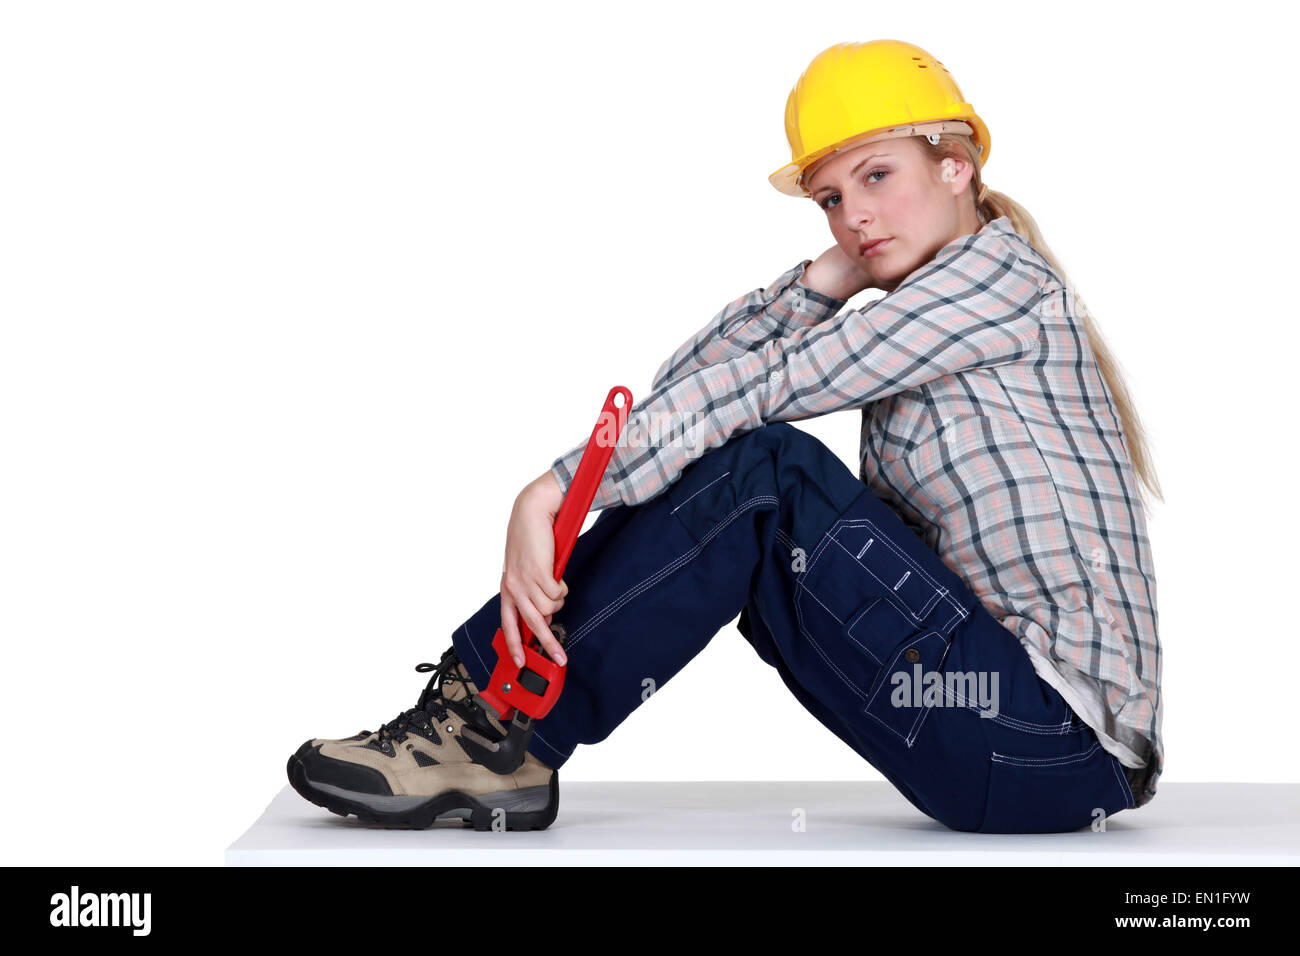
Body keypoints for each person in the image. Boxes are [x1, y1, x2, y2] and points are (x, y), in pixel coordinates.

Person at [287, 39, 1164, 834]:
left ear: (957, 165)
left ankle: (498, 726)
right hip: (1006, 739)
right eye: (830, 197)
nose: (854, 214)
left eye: (877, 176)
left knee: (764, 471)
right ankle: (493, 721)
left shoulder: (994, 283)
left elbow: (758, 394)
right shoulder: (922, 293)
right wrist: (825, 280)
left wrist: (554, 489)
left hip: (1047, 741)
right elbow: (687, 398)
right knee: (731, 471)